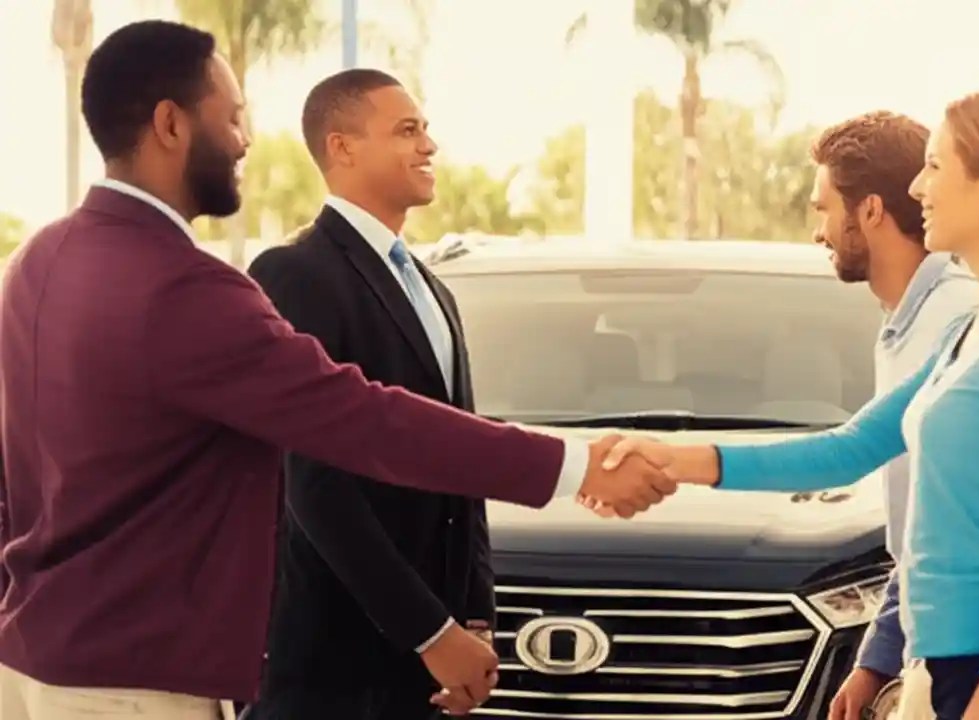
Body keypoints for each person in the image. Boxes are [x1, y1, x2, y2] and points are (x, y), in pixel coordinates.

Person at [0, 20, 672, 720]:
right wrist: (574, 465)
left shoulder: (36, 262)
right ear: (171, 125)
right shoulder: (184, 288)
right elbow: (364, 421)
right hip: (130, 687)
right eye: (231, 118)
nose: (245, 140)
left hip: (27, 668)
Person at [597, 88, 979, 720]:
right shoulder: (973, 331)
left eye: (936, 166)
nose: (918, 188)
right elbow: (847, 451)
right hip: (946, 670)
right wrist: (672, 459)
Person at [239, 68, 500, 720]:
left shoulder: (435, 291)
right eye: (407, 130)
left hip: (427, 678)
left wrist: (474, 618)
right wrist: (431, 633)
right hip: (334, 672)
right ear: (342, 147)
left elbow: (462, 466)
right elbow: (314, 484)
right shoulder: (294, 274)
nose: (429, 146)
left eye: (426, 129)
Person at [805, 112, 979, 720]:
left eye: (825, 210)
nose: (819, 233)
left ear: (871, 211)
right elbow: (919, 538)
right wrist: (877, 661)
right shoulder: (906, 323)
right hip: (932, 649)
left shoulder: (958, 319)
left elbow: (968, 526)